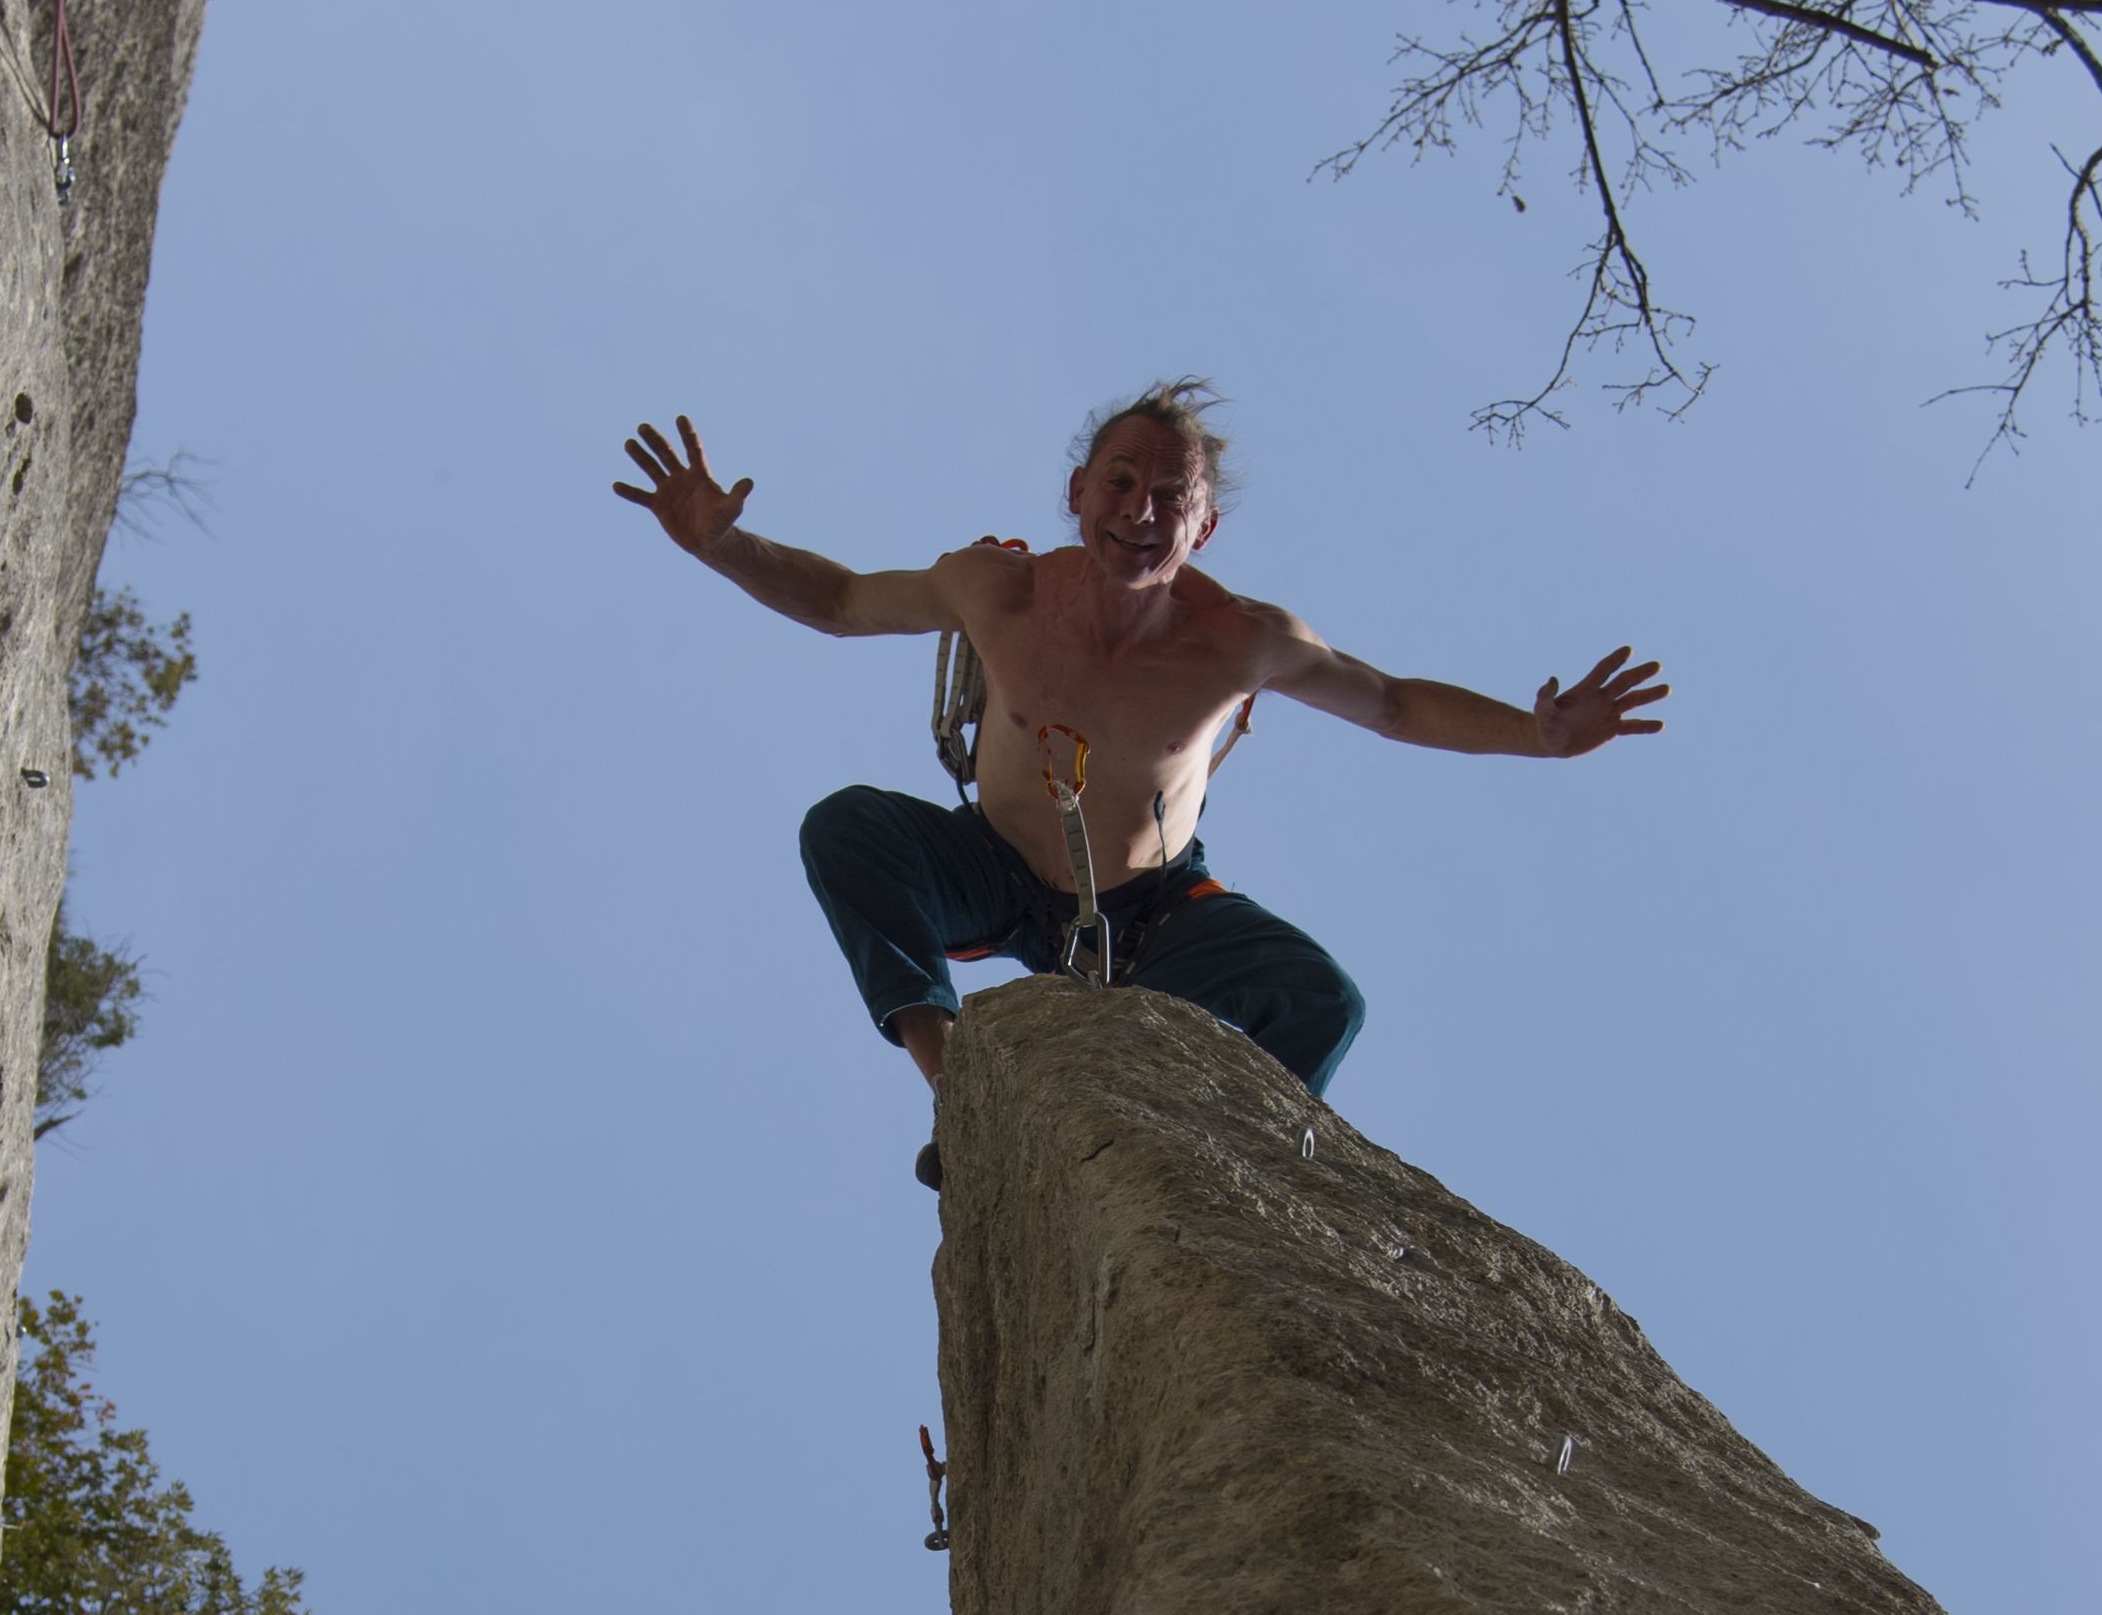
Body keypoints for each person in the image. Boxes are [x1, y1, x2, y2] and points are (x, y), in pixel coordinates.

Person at [612, 376, 1666, 1165]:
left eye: (1171, 493)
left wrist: (1540, 735)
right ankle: (957, 1092)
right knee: (844, 828)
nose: (1141, 508)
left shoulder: (1239, 640)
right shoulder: (997, 589)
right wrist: (721, 548)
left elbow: (1389, 702)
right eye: (1119, 481)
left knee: (1319, 1000)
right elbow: (842, 602)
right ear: (1077, 492)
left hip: (1153, 910)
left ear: (1204, 524)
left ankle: (1223, 1174)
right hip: (998, 871)